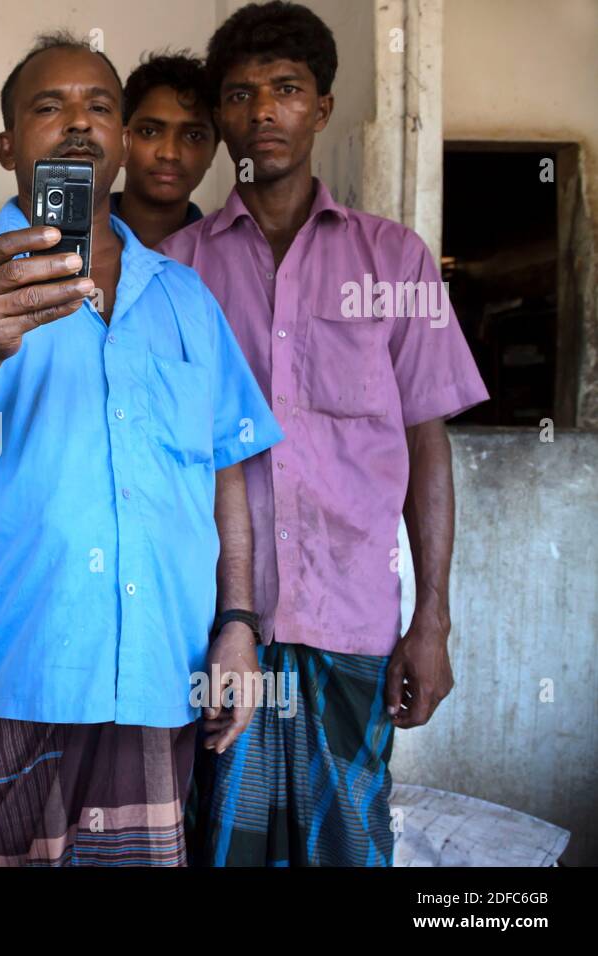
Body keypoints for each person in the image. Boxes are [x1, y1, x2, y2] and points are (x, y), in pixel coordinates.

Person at [0, 32, 282, 866]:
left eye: (100, 107)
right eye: (49, 107)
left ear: (122, 142)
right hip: (21, 664)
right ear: (11, 146)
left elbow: (224, 465)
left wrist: (237, 623)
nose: (79, 124)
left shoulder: (184, 297)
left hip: (161, 665)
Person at [162, 0, 489, 866]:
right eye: (239, 94)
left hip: (353, 623)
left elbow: (427, 447)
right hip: (216, 628)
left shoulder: (396, 261)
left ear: (324, 107)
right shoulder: (181, 271)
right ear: (220, 116)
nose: (262, 111)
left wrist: (434, 622)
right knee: (223, 847)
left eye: (287, 89)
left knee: (349, 846)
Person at [113, 51, 218, 248]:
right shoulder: (75, 235)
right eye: (149, 131)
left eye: (193, 136)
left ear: (213, 150)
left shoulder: (223, 252)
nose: (169, 154)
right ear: (122, 140)